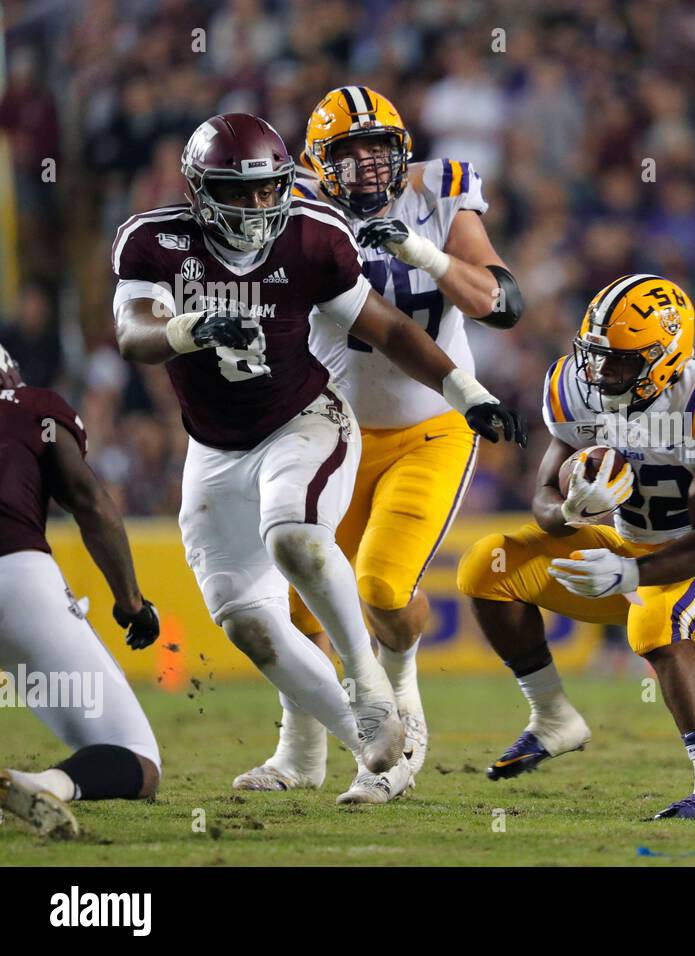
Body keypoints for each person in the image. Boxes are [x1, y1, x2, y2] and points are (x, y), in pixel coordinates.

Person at [111, 113, 525, 804]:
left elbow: (392, 326)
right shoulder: (155, 239)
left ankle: (370, 688)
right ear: (197, 189)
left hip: (307, 418)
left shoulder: (311, 231)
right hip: (213, 447)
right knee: (247, 616)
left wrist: (467, 389)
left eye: (268, 190)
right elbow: (132, 332)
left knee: (300, 540)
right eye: (236, 193)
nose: (256, 207)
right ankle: (346, 741)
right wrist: (188, 327)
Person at [229, 86, 524, 803]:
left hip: (432, 426)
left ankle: (404, 720)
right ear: (315, 164)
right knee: (299, 603)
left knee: (384, 589)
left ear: (401, 149)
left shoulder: (443, 189)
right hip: (332, 426)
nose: (366, 167)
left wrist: (421, 250)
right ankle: (299, 754)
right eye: (348, 153)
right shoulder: (289, 203)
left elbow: (502, 303)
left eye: (378, 149)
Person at [458, 274, 695, 818]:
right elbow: (544, 495)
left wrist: (629, 578)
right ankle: (553, 718)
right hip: (620, 541)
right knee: (486, 567)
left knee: (654, 625)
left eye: (620, 360)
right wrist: (569, 512)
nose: (601, 372)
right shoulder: (575, 387)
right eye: (595, 356)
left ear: (666, 358)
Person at [0, 345, 162, 839]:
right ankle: (45, 783)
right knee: (137, 758)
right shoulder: (29, 407)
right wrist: (131, 602)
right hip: (15, 578)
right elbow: (89, 503)